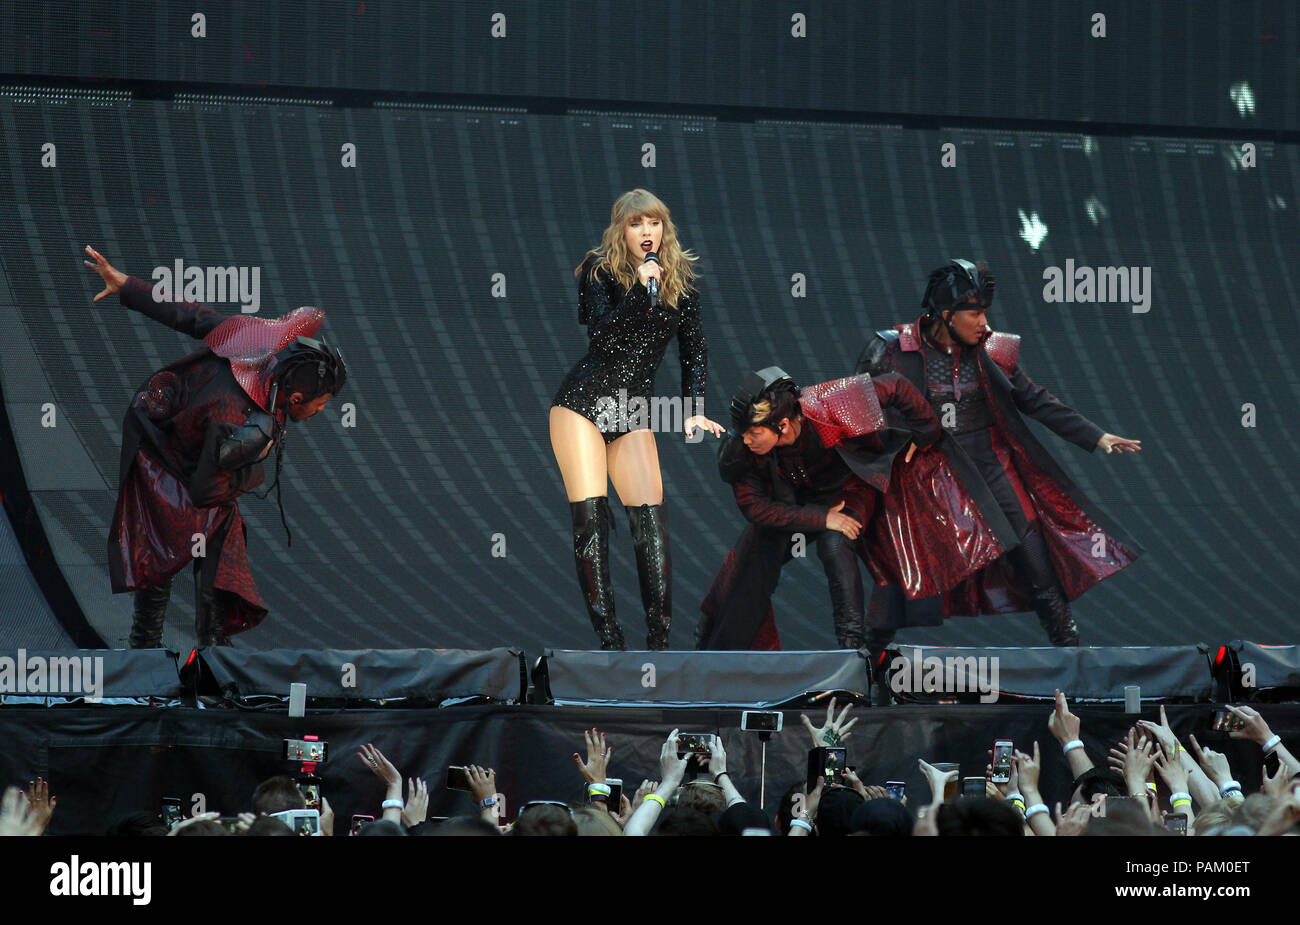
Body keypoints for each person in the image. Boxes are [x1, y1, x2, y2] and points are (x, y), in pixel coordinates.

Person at [855, 258, 1142, 652]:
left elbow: (1033, 399)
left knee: (1034, 557)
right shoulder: (891, 348)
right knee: (904, 570)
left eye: (985, 311)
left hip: (990, 463)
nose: (983, 322)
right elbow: (859, 411)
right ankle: (868, 660)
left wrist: (1096, 436)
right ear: (945, 313)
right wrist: (890, 450)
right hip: (928, 473)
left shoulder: (991, 349)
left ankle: (1070, 653)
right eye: (974, 312)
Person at [84, 246, 347, 648]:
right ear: (295, 399)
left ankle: (213, 652)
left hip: (196, 438)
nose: (320, 411)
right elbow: (207, 493)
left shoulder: (263, 353)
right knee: (171, 538)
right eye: (321, 404)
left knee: (220, 535)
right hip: (159, 444)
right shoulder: (239, 420)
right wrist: (254, 464)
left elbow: (194, 317)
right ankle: (146, 651)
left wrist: (129, 287)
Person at [549, 190, 724, 650]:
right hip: (584, 402)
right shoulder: (599, 271)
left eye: (654, 223)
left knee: (651, 523)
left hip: (634, 408)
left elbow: (694, 350)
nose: (647, 233)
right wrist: (639, 292)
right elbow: (603, 335)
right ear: (620, 230)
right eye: (636, 224)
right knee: (591, 517)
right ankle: (610, 642)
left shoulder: (678, 281)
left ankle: (660, 646)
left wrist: (693, 410)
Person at [695, 367, 949, 655]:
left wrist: (926, 432)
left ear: (783, 425)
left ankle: (851, 651)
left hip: (850, 490)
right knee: (753, 550)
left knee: (834, 544)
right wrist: (822, 517)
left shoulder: (829, 404)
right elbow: (757, 509)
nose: (747, 441)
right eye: (743, 434)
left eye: (754, 433)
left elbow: (896, 385)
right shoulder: (743, 451)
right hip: (798, 503)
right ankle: (714, 640)